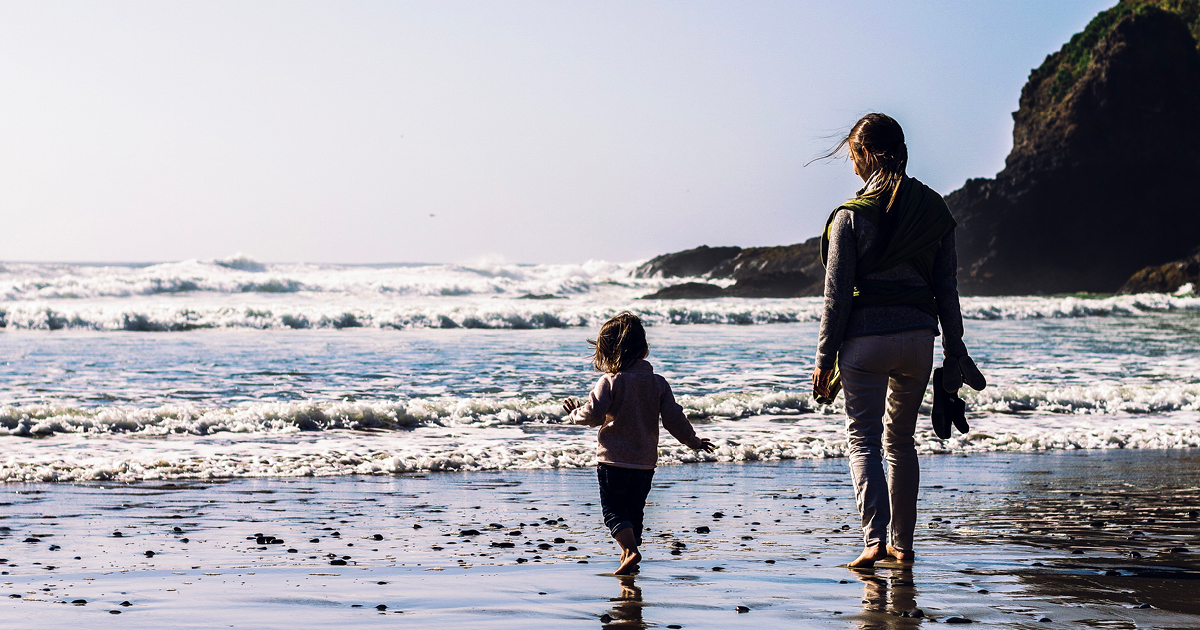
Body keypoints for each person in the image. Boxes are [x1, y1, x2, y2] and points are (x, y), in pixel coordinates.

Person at [811, 113, 985, 568]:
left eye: (853, 157)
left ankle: (874, 541)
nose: (852, 168)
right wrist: (955, 349)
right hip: (918, 342)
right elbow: (947, 289)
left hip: (863, 344)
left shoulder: (850, 217)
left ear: (867, 154)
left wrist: (823, 359)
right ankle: (903, 546)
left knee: (863, 442)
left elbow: (836, 299)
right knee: (900, 443)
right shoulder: (934, 211)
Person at [564, 311, 715, 575]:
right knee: (635, 512)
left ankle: (631, 552)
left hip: (613, 462)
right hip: (644, 464)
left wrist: (574, 414)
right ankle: (628, 557)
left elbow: (594, 414)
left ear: (609, 351)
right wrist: (693, 441)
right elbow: (673, 419)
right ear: (644, 348)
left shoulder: (610, 381)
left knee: (613, 512)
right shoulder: (658, 383)